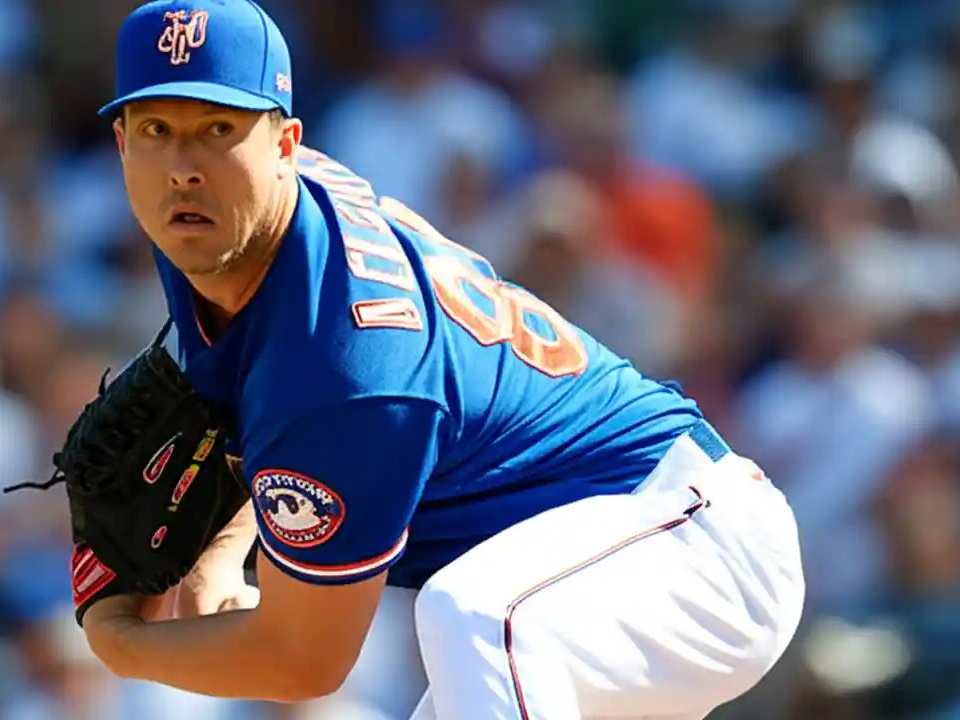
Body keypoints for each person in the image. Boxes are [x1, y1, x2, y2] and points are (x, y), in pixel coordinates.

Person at [79, 2, 806, 718]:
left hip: (687, 544)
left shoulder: (348, 370)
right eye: (156, 130)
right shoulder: (229, 226)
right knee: (479, 624)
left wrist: (122, 645)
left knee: (475, 617)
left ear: (286, 144)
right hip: (580, 575)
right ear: (122, 145)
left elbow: (304, 660)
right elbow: (259, 401)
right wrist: (216, 558)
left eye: (218, 129)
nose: (184, 168)